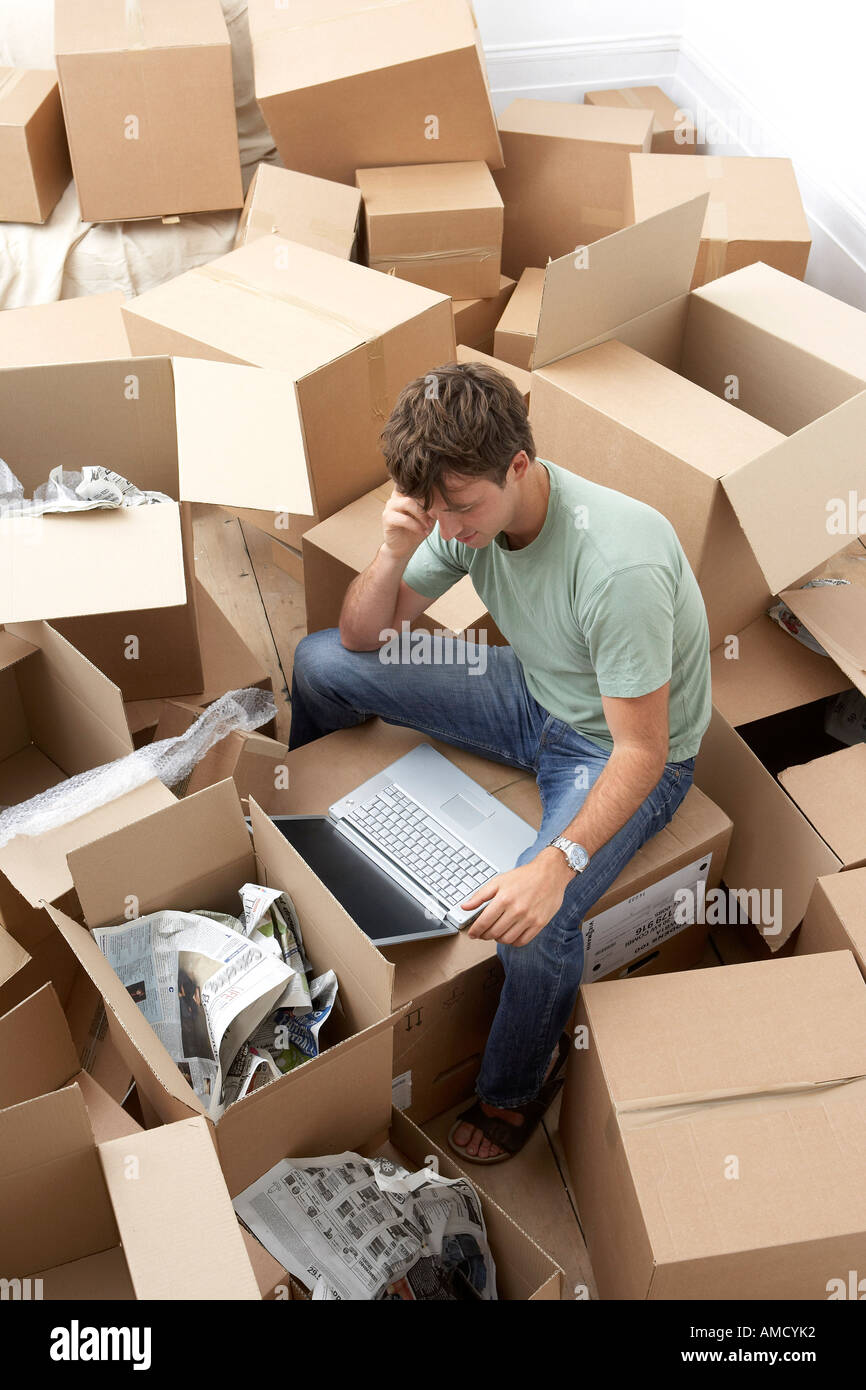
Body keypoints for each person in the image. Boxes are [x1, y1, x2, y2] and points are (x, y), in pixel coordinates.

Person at [289, 361, 712, 1163]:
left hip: (612, 743)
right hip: (531, 691)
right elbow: (359, 637)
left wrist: (558, 862)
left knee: (533, 926)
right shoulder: (462, 516)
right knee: (317, 663)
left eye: (462, 509)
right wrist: (390, 551)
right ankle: (309, 812)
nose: (449, 531)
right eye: (433, 512)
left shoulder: (616, 564)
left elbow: (644, 750)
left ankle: (516, 1087)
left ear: (518, 466)